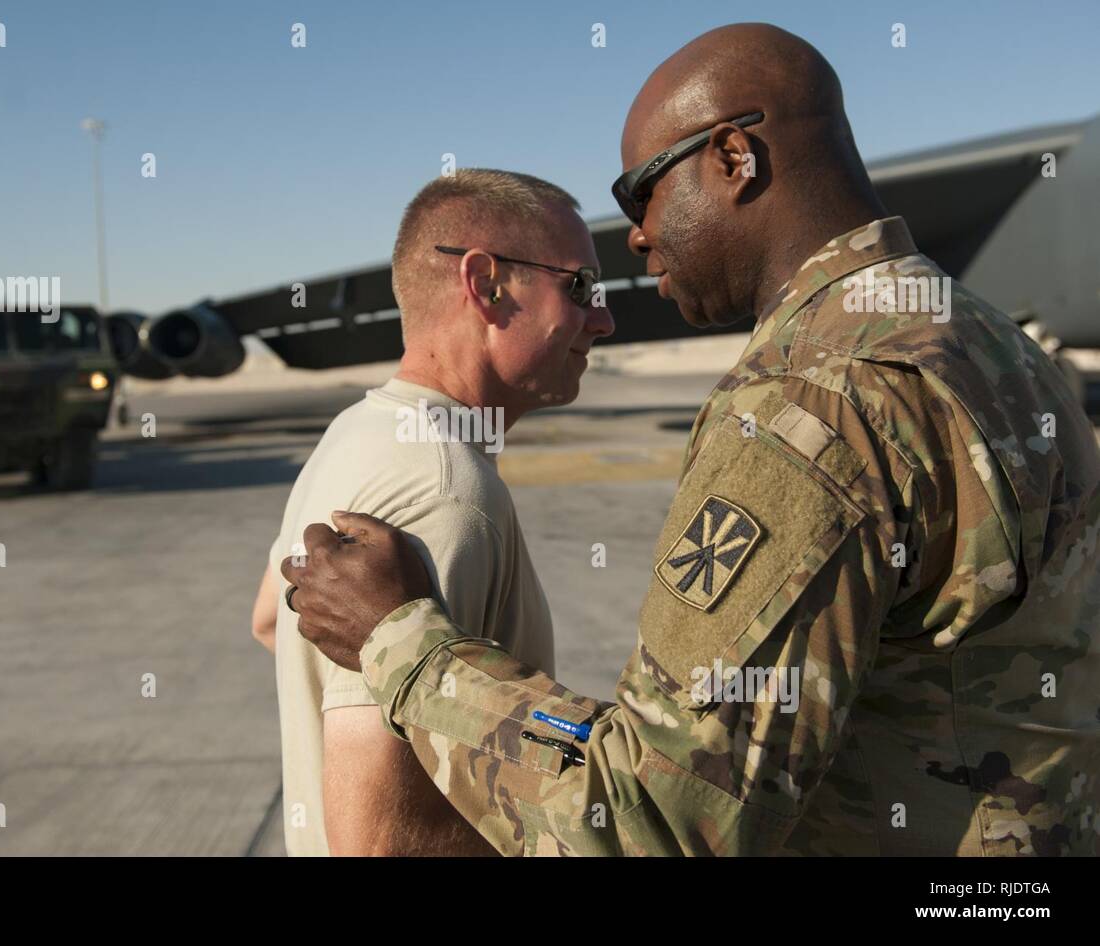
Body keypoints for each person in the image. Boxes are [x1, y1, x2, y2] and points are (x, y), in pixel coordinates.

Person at [282, 23, 1100, 856]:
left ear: (735, 158)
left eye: (642, 194)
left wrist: (406, 645)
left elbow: (655, 819)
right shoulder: (988, 342)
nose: (636, 235)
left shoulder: (810, 399)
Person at [254, 168, 614, 855]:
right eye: (580, 287)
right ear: (485, 284)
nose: (604, 317)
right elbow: (379, 843)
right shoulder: (445, 491)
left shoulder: (355, 432)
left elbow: (272, 619)